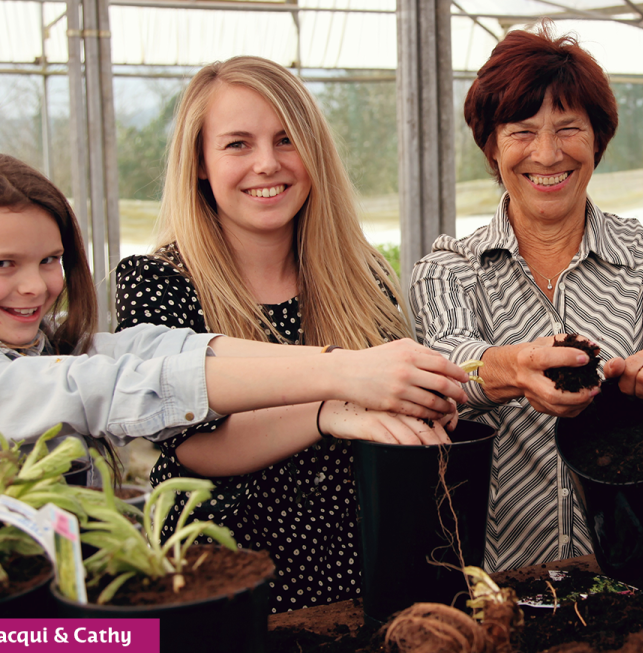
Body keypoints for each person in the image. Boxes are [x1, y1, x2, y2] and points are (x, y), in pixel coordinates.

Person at [0, 148, 467, 549]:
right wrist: (344, 376)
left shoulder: (35, 346)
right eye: (3, 264)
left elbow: (166, 350)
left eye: (50, 260)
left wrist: (339, 381)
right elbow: (106, 389)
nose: (36, 286)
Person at [112, 57, 448, 611]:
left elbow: (391, 405)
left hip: (358, 574)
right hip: (225, 582)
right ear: (200, 162)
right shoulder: (158, 281)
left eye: (287, 139)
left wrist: (432, 397)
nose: (267, 163)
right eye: (237, 144)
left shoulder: (359, 275)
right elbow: (194, 443)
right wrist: (328, 408)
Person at [409, 27, 643, 573]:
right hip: (500, 575)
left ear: (597, 139)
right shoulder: (450, 270)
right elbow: (447, 367)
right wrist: (514, 368)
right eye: (522, 131)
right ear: (492, 147)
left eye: (569, 128)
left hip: (634, 568)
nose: (548, 154)